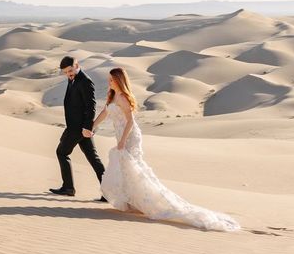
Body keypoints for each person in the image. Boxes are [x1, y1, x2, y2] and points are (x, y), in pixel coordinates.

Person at [94, 66, 240, 231]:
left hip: (129, 137)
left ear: (119, 80)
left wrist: (122, 140)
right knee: (126, 168)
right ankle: (133, 201)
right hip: (122, 136)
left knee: (132, 168)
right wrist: (92, 127)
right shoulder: (112, 97)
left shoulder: (123, 98)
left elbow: (130, 121)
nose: (109, 82)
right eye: (109, 79)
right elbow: (105, 113)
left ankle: (149, 201)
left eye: (112, 79)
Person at [50, 56, 107, 199]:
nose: (68, 74)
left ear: (77, 65)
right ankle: (108, 192)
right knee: (93, 159)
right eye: (65, 72)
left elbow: (91, 106)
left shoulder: (85, 81)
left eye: (70, 70)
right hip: (77, 127)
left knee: (62, 152)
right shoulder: (73, 79)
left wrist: (87, 128)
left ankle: (68, 188)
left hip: (79, 128)